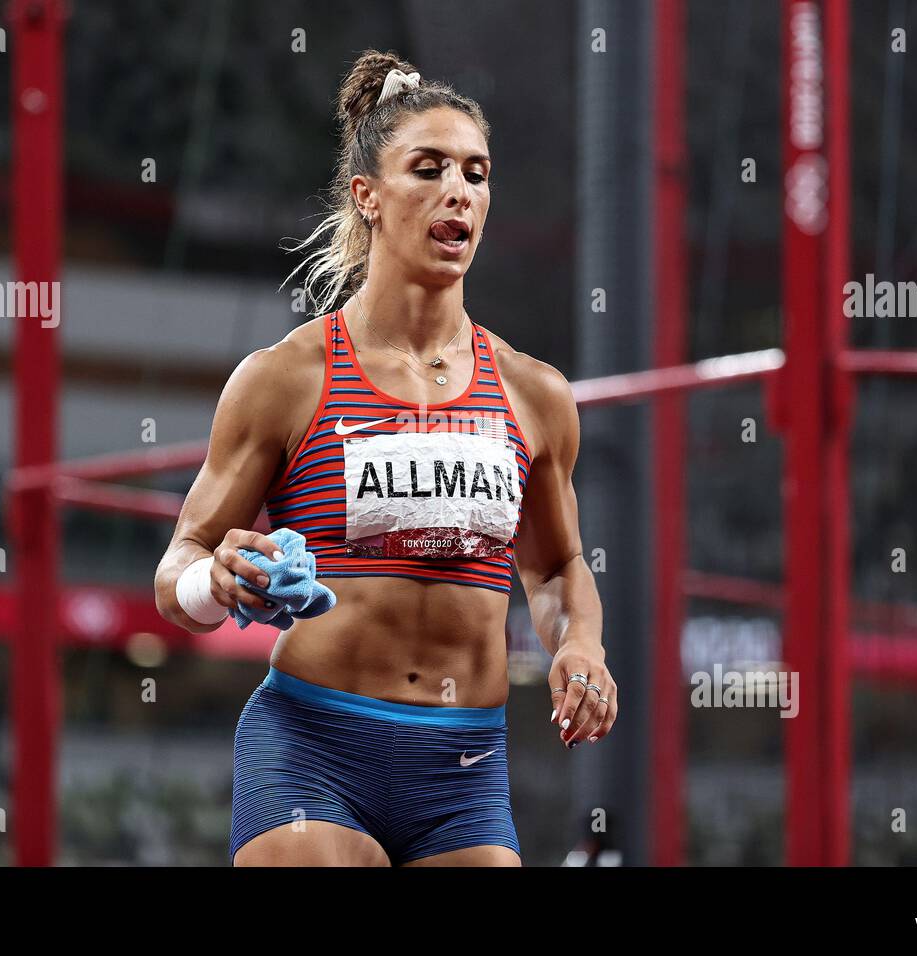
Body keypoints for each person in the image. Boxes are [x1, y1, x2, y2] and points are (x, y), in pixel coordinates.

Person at [155, 50, 616, 867]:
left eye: (476, 173)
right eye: (429, 168)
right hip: (314, 746)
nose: (459, 191)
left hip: (463, 769)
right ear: (366, 196)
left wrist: (580, 645)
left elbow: (555, 571)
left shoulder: (536, 396)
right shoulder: (284, 378)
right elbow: (176, 574)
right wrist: (214, 578)